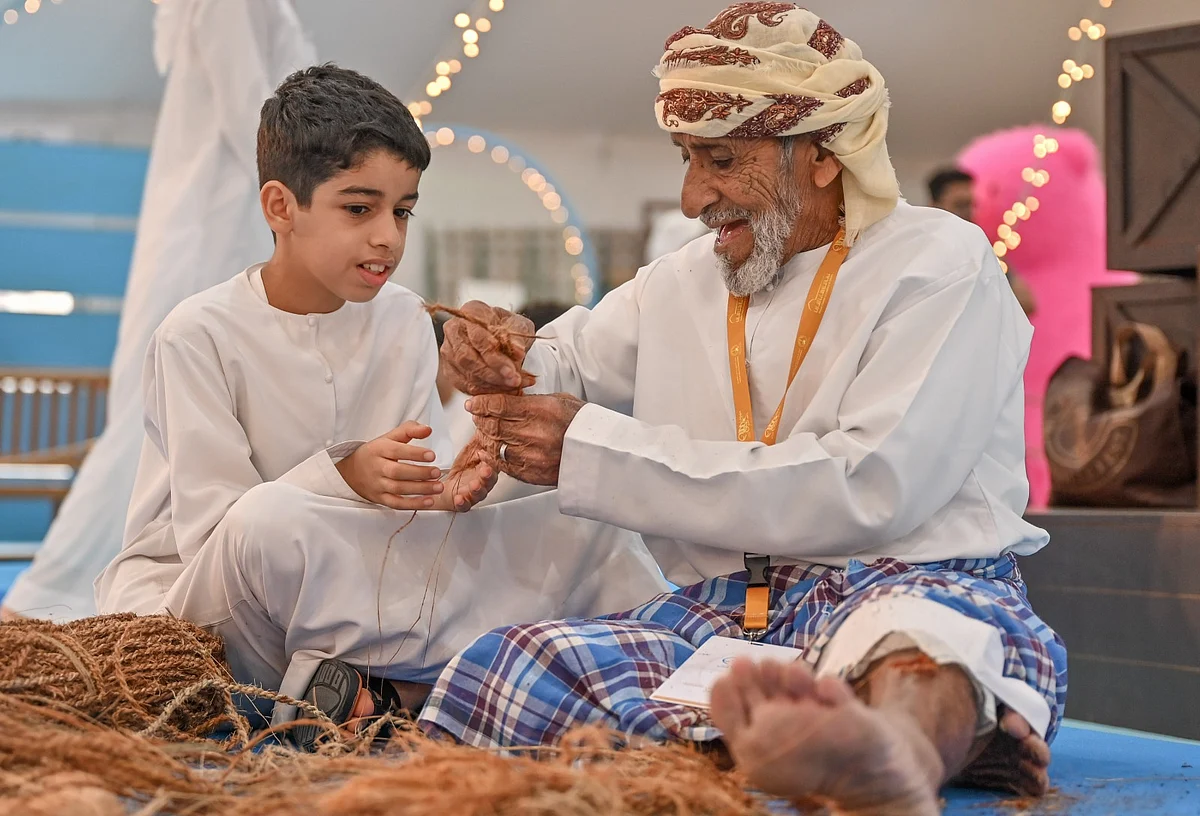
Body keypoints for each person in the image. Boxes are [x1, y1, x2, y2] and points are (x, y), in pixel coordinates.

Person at [428, 6, 1066, 814]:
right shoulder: (685, 278)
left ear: (826, 155)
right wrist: (502, 360)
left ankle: (893, 755)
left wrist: (590, 453)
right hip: (729, 615)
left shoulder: (938, 263)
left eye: (721, 160)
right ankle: (835, 745)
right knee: (512, 666)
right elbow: (568, 360)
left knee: (923, 650)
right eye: (687, 158)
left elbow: (871, 486)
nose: (695, 195)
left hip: (902, 580)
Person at [94, 65, 667, 745]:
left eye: (402, 211)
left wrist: (460, 479)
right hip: (215, 598)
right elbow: (220, 534)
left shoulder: (400, 318)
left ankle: (651, 679)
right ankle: (400, 686)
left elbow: (409, 499)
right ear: (281, 208)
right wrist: (345, 475)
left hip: (351, 575)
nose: (388, 238)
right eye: (359, 208)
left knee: (577, 517)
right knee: (269, 519)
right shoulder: (197, 335)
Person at [1, 0, 316, 623]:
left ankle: (146, 589)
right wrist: (316, 197)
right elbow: (256, 118)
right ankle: (54, 595)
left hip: (226, 215)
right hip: (223, 223)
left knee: (188, 409)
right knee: (166, 404)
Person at [927, 166, 1035, 317]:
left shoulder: (981, 249)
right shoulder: (925, 250)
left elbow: (1027, 302)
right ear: (934, 206)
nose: (969, 213)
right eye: (960, 205)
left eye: (972, 205)